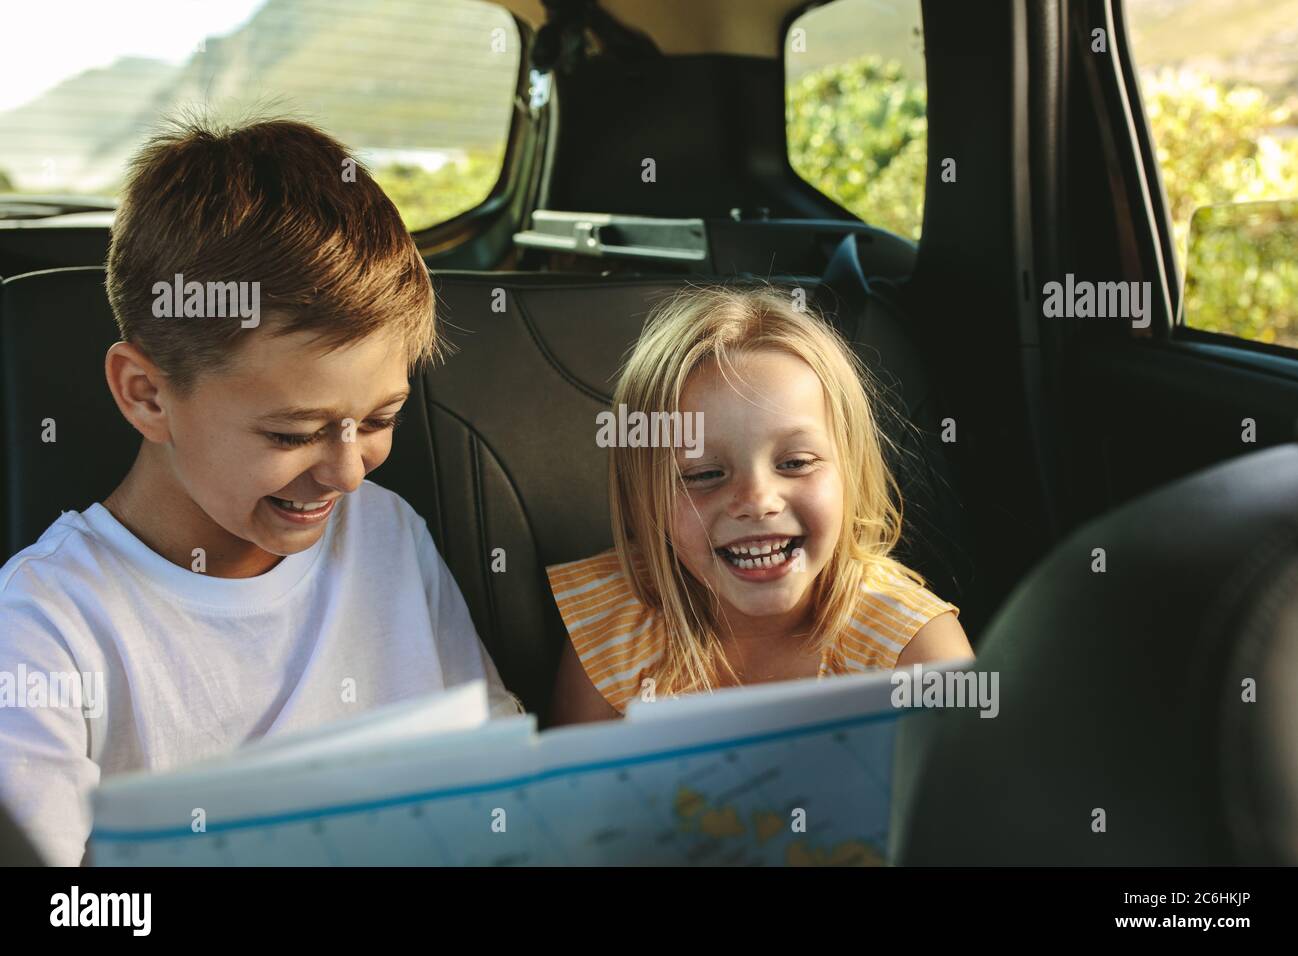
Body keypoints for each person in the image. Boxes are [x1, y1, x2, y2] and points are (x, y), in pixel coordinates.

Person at [0, 117, 520, 866]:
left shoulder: (389, 534)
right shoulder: (50, 627)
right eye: (291, 435)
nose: (348, 473)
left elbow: (494, 787)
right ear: (147, 395)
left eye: (380, 419)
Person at [548, 285, 973, 724]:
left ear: (852, 471)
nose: (756, 502)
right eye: (703, 475)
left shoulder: (915, 650)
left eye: (795, 463)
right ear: (642, 501)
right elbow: (566, 789)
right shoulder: (612, 621)